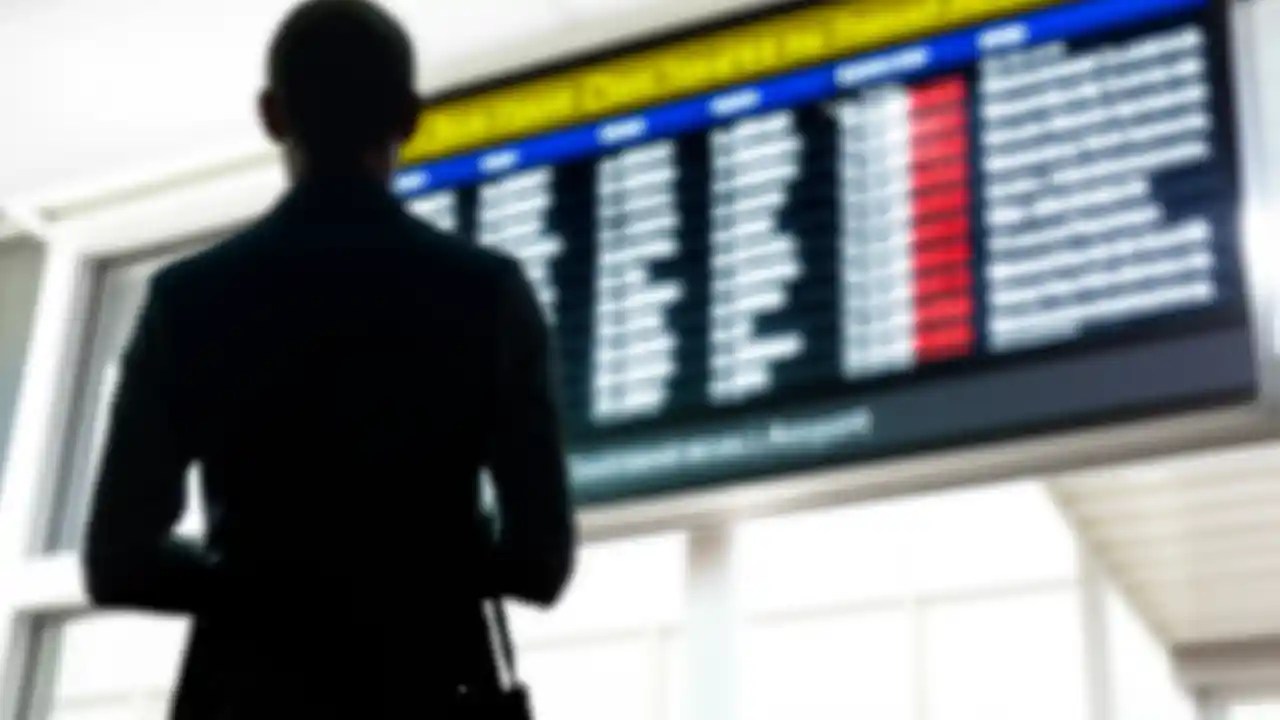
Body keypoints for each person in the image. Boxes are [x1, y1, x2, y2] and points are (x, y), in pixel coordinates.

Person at [81, 1, 576, 717]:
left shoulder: (187, 300)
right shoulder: (487, 294)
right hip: (430, 683)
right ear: (409, 117)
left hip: (246, 693)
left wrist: (261, 580)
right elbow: (541, 563)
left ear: (273, 115)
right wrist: (413, 567)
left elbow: (117, 562)